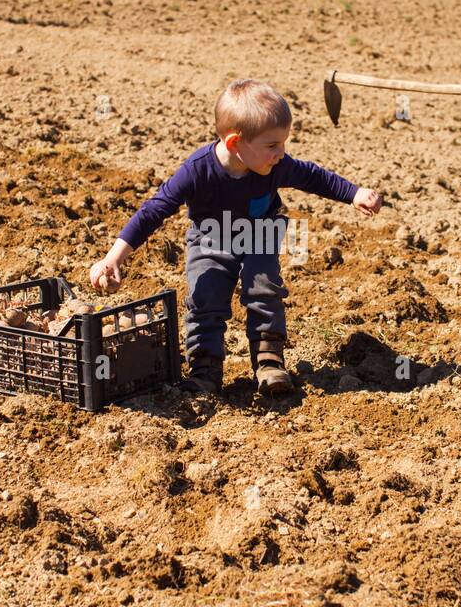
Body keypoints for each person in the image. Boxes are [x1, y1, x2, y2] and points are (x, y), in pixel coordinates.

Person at [90, 79, 383, 395]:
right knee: (205, 298)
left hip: (258, 234)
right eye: (272, 145)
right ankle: (205, 368)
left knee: (264, 287)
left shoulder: (275, 166)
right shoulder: (197, 171)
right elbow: (155, 209)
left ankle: (269, 361)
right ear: (234, 144)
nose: (281, 153)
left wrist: (353, 193)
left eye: (283, 143)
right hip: (209, 239)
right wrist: (115, 256)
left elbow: (313, 176)